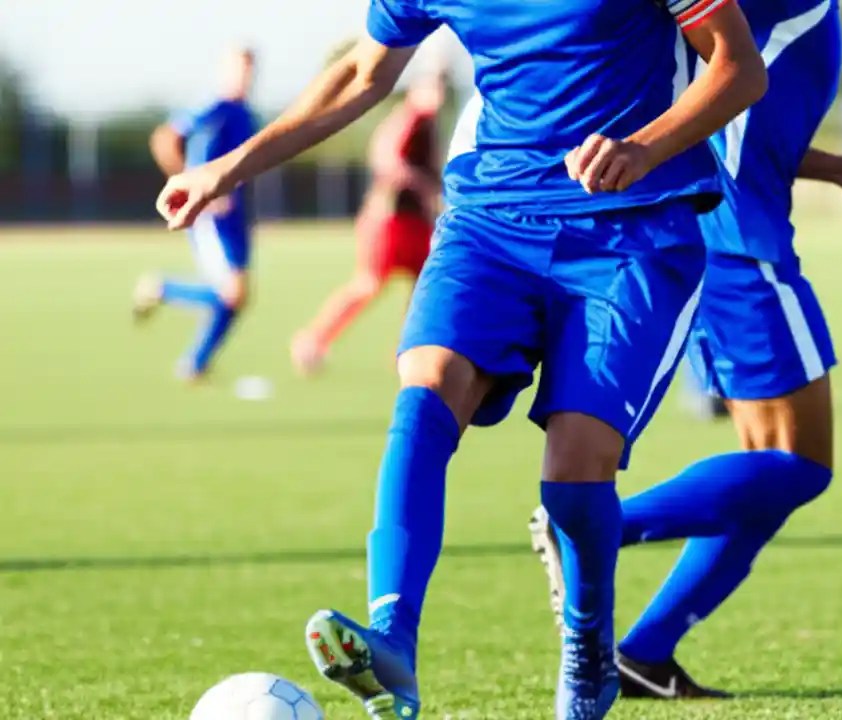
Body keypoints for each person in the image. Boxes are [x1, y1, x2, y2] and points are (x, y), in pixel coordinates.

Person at [153, 0, 766, 718]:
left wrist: (643, 147)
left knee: (575, 471)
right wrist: (230, 167)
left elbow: (738, 68)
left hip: (634, 227)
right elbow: (360, 71)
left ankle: (589, 648)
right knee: (426, 386)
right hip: (491, 222)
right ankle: (391, 641)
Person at [528, 0, 842, 698]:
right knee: (797, 466)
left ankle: (645, 653)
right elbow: (725, 90)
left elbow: (738, 122)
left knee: (765, 478)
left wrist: (836, 168)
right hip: (744, 253)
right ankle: (588, 527)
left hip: (720, 236)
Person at [291, 75, 445, 375]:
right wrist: (426, 188)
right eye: (433, 87)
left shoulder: (428, 125)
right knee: (368, 284)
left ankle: (410, 347)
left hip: (416, 222)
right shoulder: (407, 120)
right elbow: (388, 162)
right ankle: (312, 340)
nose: (437, 95)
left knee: (425, 285)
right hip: (389, 221)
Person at [134, 48, 258, 381]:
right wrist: (189, 183)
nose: (244, 77)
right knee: (232, 292)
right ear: (223, 71)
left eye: (249, 70)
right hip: (211, 214)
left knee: (238, 295)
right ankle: (161, 289)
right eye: (238, 69)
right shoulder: (213, 107)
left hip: (236, 216)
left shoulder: (246, 113)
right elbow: (165, 138)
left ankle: (196, 363)